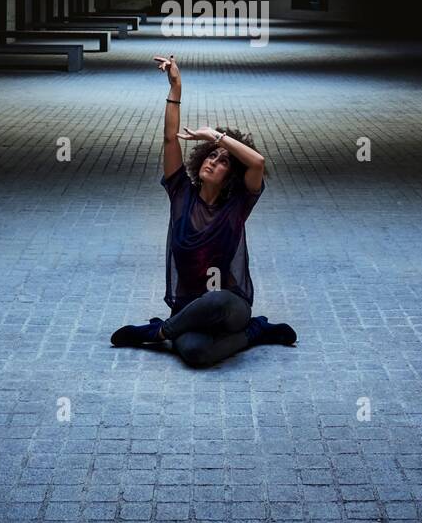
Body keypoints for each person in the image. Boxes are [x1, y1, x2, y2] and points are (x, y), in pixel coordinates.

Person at [110, 53, 297, 367]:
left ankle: (157, 332)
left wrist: (215, 136)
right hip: (187, 309)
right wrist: (175, 88)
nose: (214, 160)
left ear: (232, 174)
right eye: (211, 155)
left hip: (230, 306)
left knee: (216, 298)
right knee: (196, 354)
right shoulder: (181, 193)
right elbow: (170, 138)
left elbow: (258, 163)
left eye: (224, 160)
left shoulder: (238, 205)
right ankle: (253, 333)